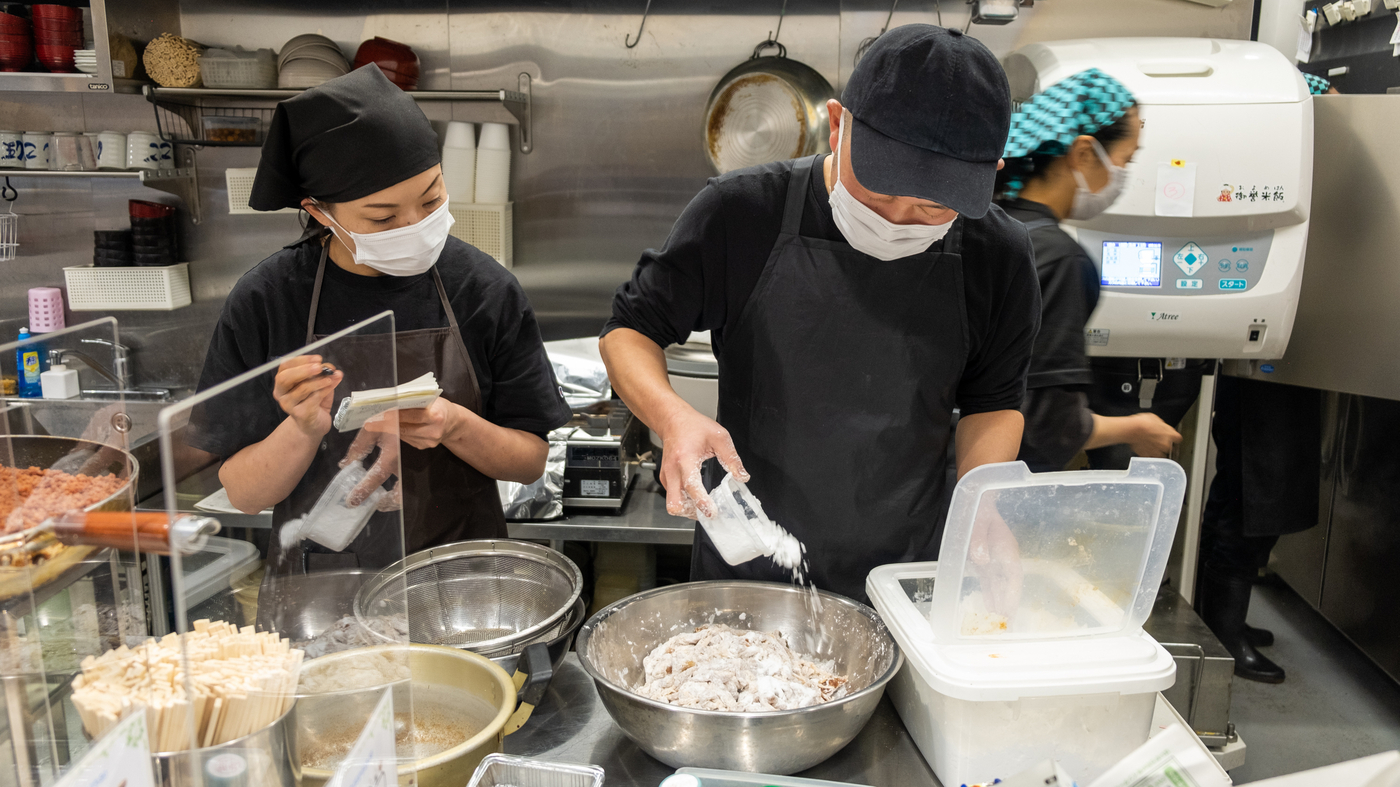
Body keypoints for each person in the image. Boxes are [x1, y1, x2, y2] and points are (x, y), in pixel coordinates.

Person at [600, 25, 1041, 602]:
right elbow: (629, 331)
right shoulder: (741, 213)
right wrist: (673, 418)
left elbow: (993, 401)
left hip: (906, 576)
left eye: (934, 205)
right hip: (749, 562)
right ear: (838, 125)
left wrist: (979, 499)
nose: (899, 219)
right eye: (880, 192)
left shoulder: (998, 254)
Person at [190, 65, 570, 574]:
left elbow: (528, 461)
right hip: (322, 589)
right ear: (319, 212)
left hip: (462, 578)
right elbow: (242, 493)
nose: (415, 227)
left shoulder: (483, 288)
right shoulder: (268, 299)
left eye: (432, 199)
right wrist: (302, 428)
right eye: (383, 218)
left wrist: (453, 424)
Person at [993, 68, 1183, 472]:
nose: (1122, 178)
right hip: (995, 480)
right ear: (1082, 153)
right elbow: (1051, 426)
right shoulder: (1060, 259)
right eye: (1123, 161)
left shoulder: (987, 224)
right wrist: (1136, 427)